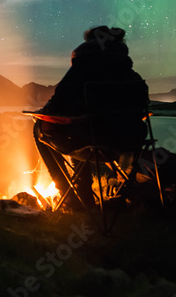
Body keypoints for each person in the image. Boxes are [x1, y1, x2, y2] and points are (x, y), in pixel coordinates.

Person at [33, 26, 148, 209]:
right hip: (129, 142)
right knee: (84, 127)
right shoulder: (133, 77)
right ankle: (124, 192)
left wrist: (44, 113)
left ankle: (72, 194)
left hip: (93, 142)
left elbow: (59, 101)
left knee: (41, 128)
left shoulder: (82, 69)